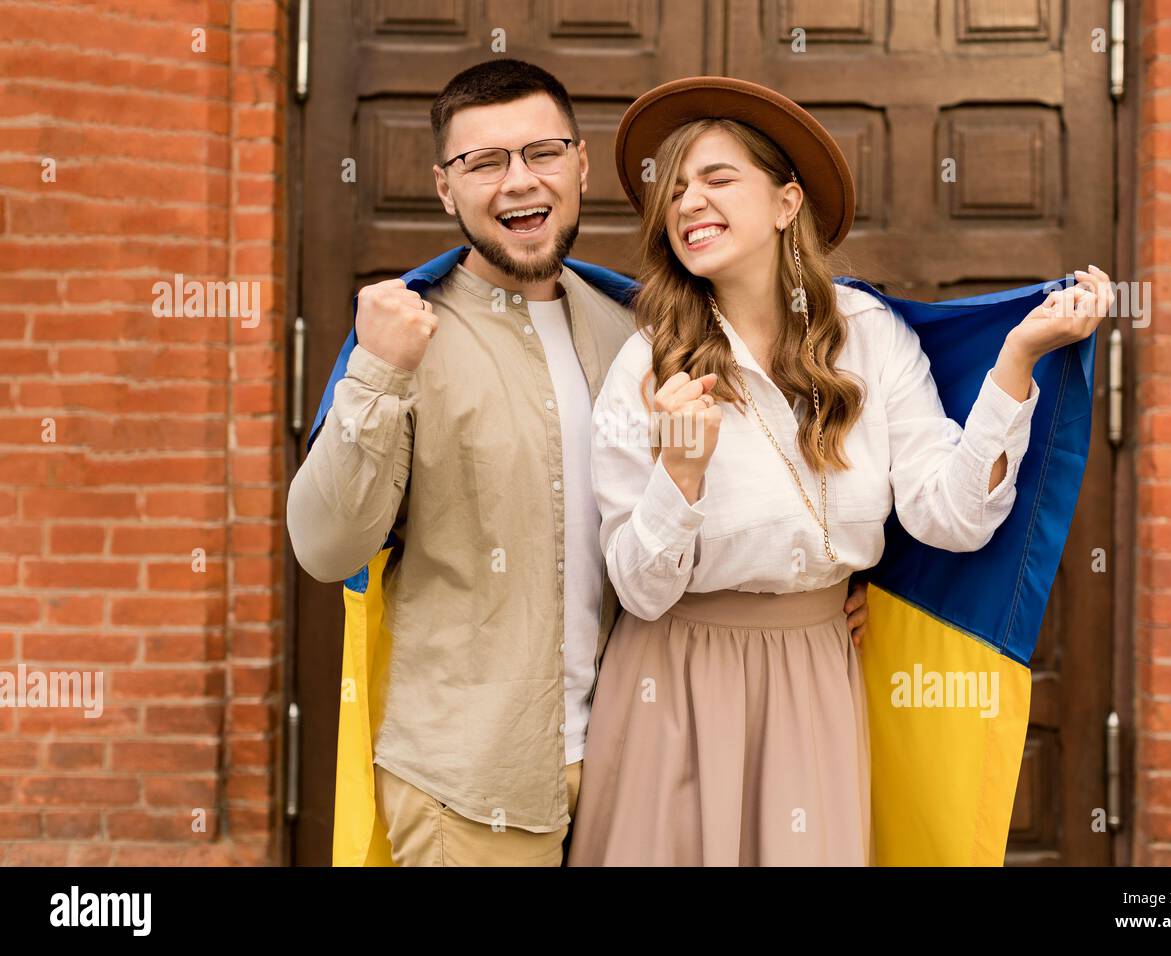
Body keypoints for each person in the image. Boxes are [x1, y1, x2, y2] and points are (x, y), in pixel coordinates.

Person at [567, 76, 1112, 866]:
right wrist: (679, 474)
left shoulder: (872, 337)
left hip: (817, 675)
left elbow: (950, 517)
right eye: (675, 189)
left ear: (788, 203)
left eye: (718, 179)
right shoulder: (644, 366)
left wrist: (1018, 358)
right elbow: (639, 587)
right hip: (672, 682)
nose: (688, 202)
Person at [287, 59, 638, 866]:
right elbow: (324, 548)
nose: (519, 182)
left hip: (633, 763)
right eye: (484, 162)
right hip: (471, 784)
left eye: (541, 153)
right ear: (446, 189)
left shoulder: (634, 329)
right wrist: (377, 374)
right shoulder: (406, 337)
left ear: (580, 165)